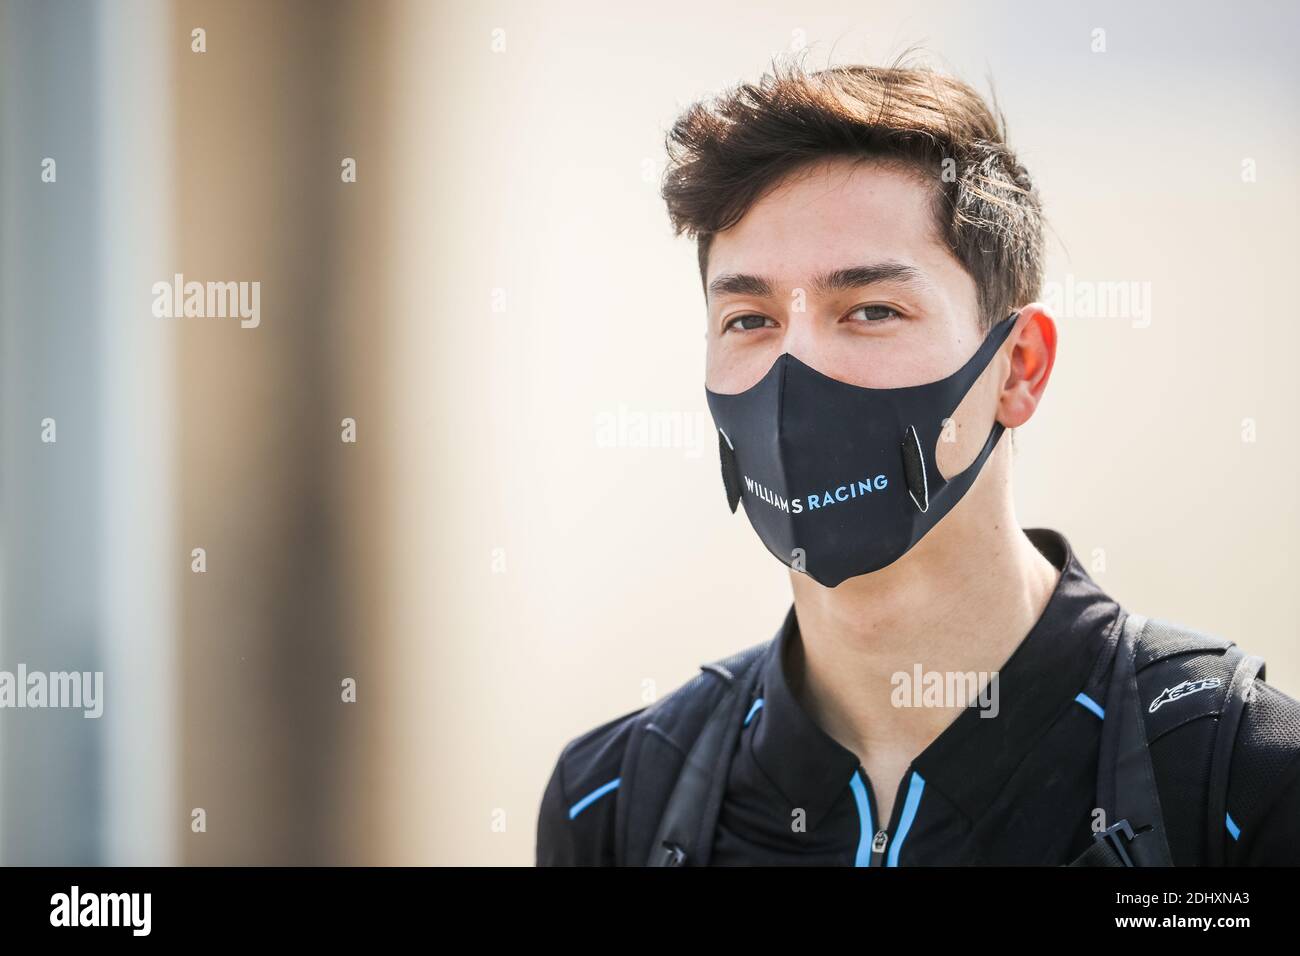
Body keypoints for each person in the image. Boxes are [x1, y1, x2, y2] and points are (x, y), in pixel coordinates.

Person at [536, 56, 1300, 866]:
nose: (795, 375)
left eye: (871, 309)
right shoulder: (616, 801)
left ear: (1019, 367)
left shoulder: (1236, 777)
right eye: (749, 319)